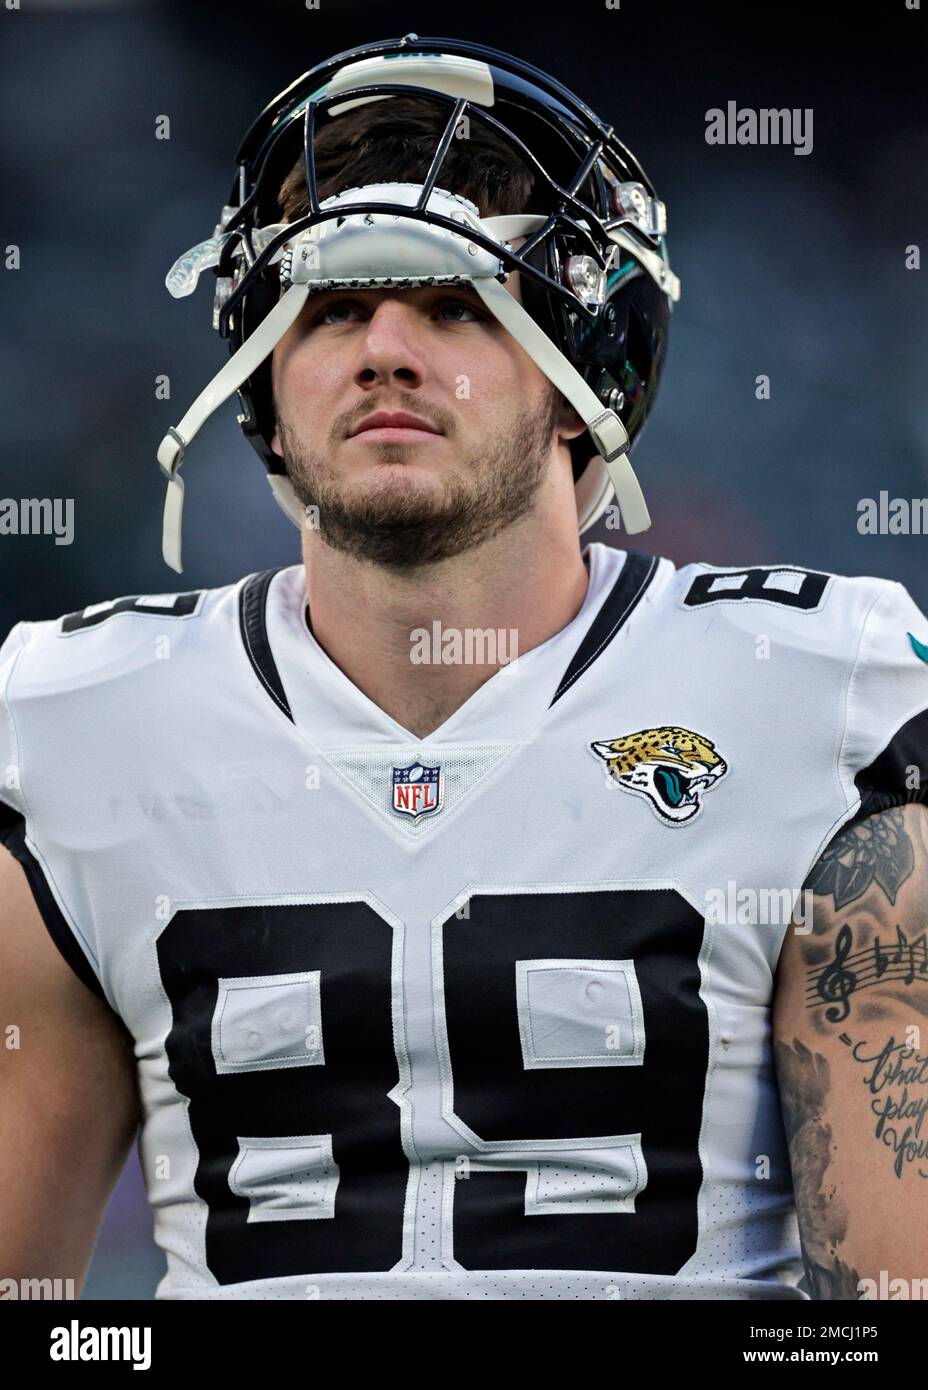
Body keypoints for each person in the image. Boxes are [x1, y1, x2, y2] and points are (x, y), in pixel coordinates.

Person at [1, 35, 926, 1302]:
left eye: (457, 304)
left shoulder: (817, 694)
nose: (385, 350)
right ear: (262, 377)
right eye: (331, 308)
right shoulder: (79, 723)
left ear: (581, 375)